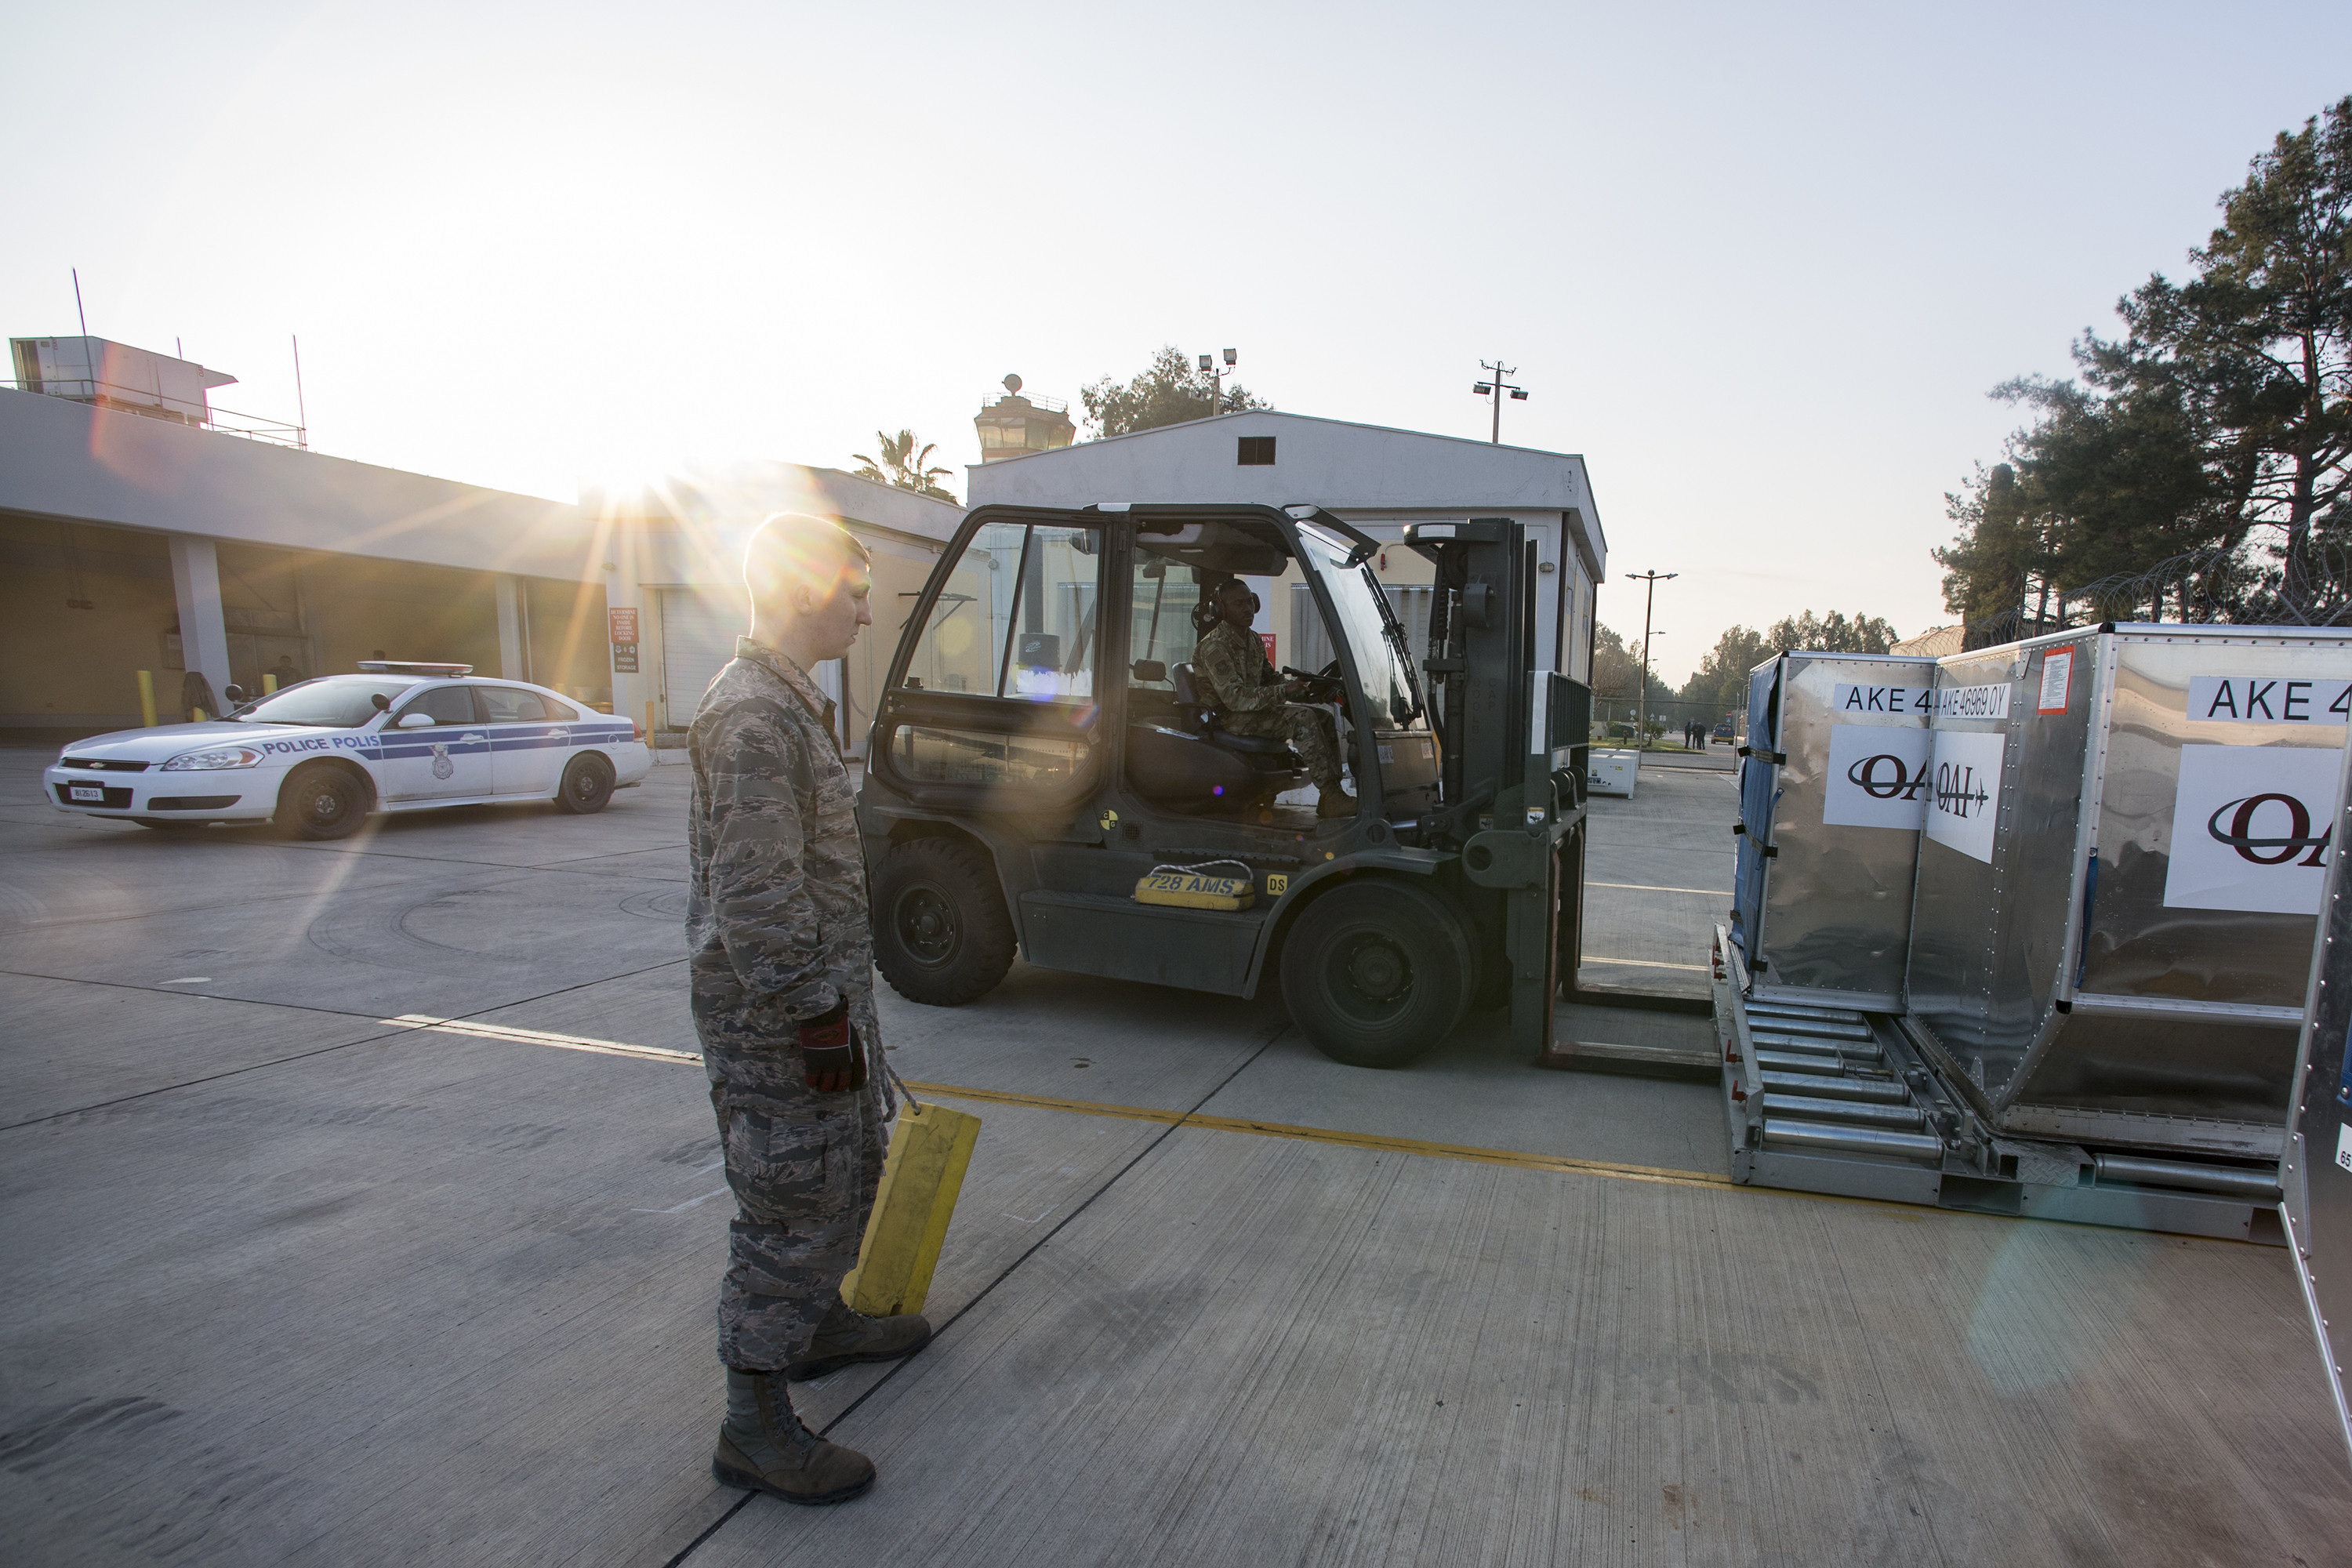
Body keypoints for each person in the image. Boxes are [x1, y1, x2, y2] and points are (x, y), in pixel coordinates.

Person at [686, 512, 927, 1507]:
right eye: (854, 591)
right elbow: (753, 894)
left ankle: (820, 1323)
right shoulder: (753, 717)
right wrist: (814, 1013)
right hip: (778, 1021)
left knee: (843, 1174)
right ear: (798, 590)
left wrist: (841, 1007)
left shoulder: (787, 706)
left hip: (818, 1003)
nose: (867, 611)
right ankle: (755, 1426)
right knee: (790, 1206)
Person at [1191, 577, 1354, 818]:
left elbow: (1270, 679)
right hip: (1230, 719)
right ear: (1221, 609)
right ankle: (1331, 797)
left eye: (1250, 602)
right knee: (1303, 718)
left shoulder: (1253, 640)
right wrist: (1285, 692)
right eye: (1239, 604)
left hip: (1252, 713)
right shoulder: (1214, 647)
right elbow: (1235, 699)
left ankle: (1331, 795)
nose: (1248, 608)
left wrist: (1306, 689)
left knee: (1324, 718)